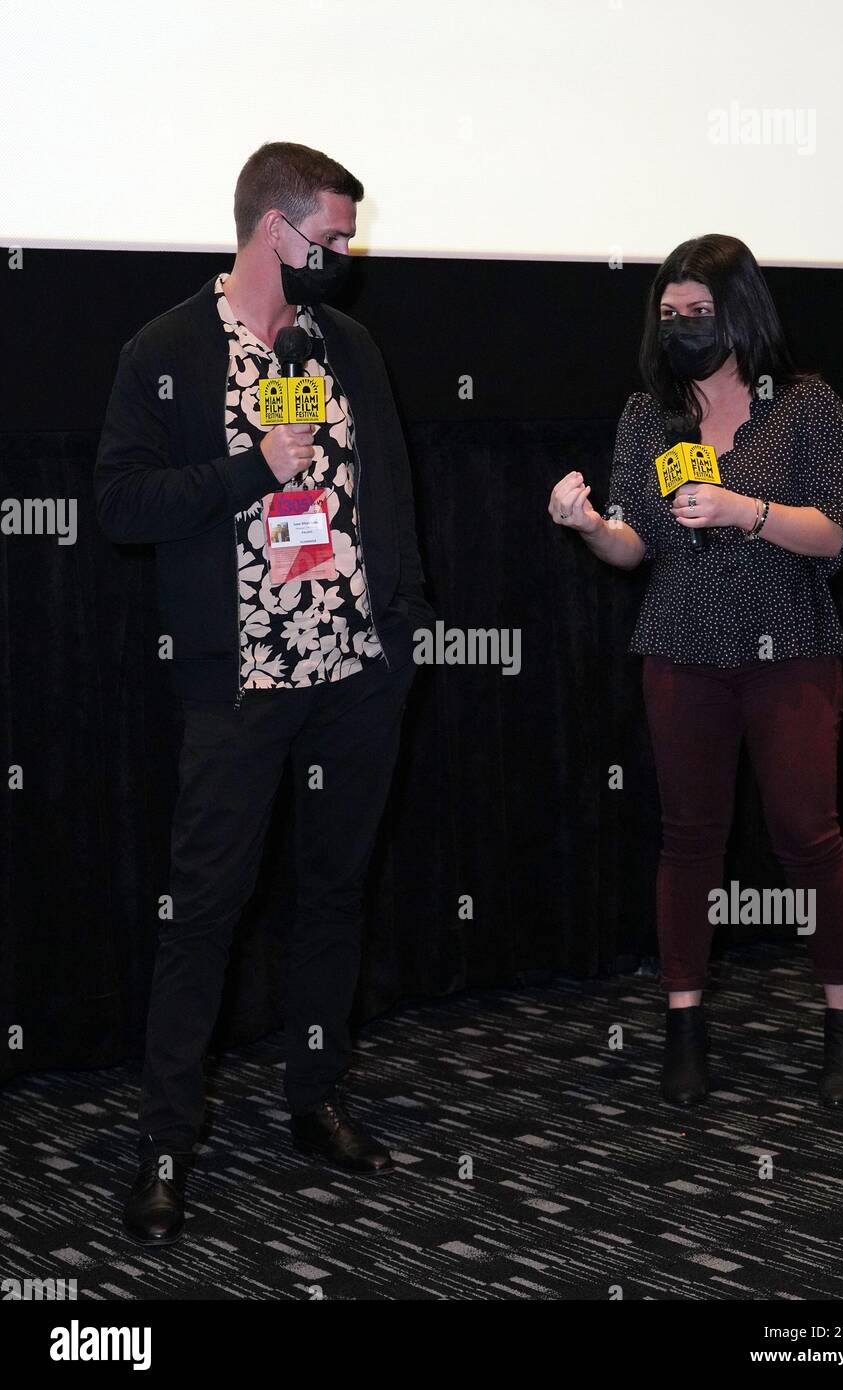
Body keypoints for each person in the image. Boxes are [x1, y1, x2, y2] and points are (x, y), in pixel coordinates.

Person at [95, 142, 434, 1245]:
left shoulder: (351, 347)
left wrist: (400, 631)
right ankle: (163, 1143)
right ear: (268, 229)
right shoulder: (169, 348)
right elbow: (121, 503)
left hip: (354, 675)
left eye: (345, 241)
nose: (342, 257)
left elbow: (390, 486)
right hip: (240, 683)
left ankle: (314, 1096)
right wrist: (252, 471)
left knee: (335, 892)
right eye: (328, 240)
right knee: (205, 913)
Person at [548, 233, 843, 1110]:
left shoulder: (805, 406)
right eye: (670, 315)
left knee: (808, 834)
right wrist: (585, 525)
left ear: (740, 314)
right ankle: (683, 1025)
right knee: (689, 837)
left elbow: (842, 535)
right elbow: (631, 543)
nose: (685, 328)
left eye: (701, 312)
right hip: (680, 645)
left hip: (789, 645)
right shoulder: (645, 415)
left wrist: (748, 509)